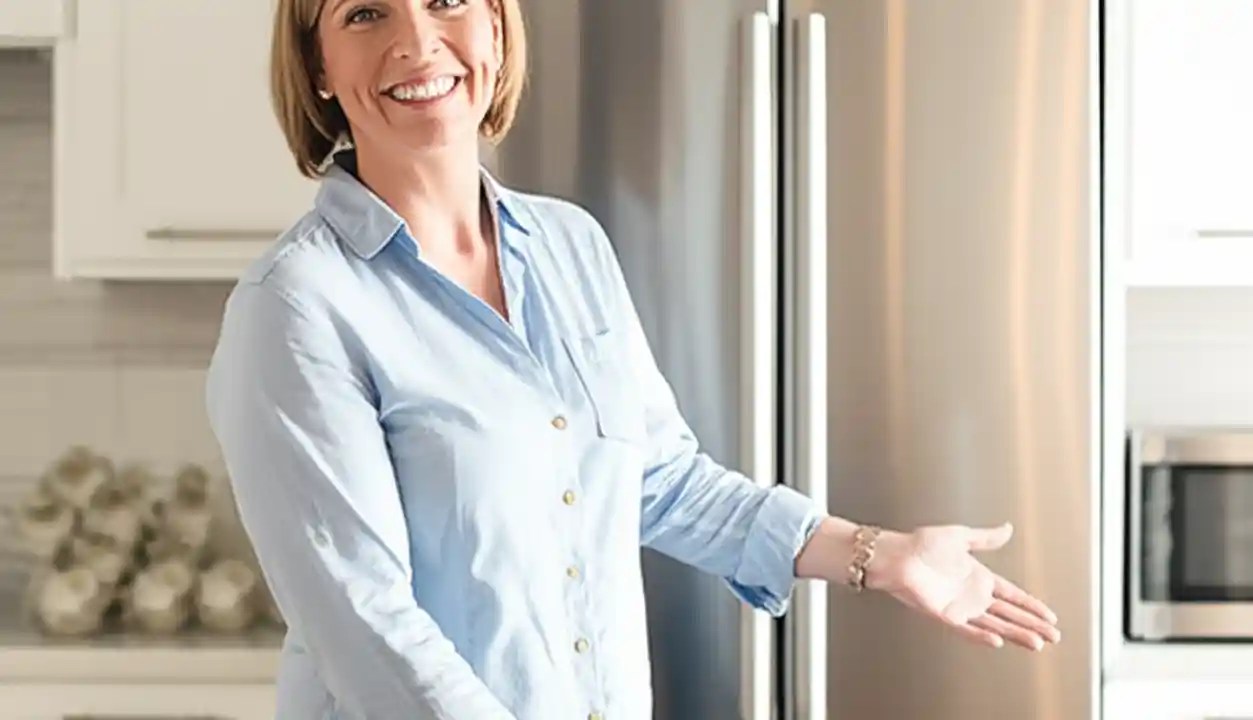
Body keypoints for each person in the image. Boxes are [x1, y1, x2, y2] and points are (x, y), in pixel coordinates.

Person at [205, 0, 1062, 718]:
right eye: (364, 13)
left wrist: (878, 554)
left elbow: (659, 478)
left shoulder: (569, 246)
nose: (418, 40)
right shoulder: (298, 306)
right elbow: (366, 625)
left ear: (496, 26)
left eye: (448, 0)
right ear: (317, 65)